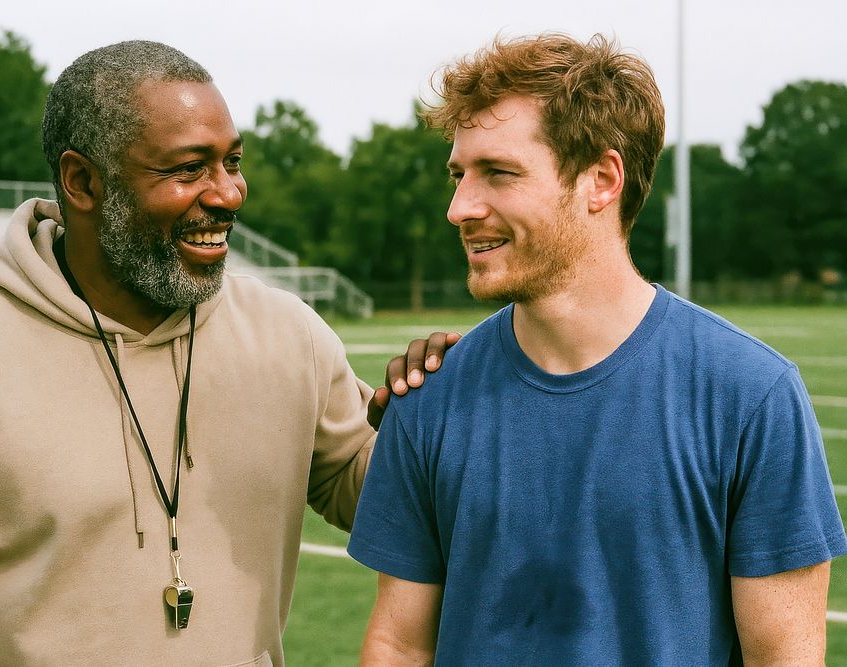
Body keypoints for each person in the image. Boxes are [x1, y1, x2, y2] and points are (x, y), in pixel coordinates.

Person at [0, 40, 451, 665]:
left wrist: (440, 418)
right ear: (82, 181)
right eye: (189, 169)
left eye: (232, 162)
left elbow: (379, 499)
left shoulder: (289, 336)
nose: (228, 194)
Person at [347, 33, 847, 665]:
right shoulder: (426, 398)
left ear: (601, 180)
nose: (459, 207)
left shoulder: (751, 396)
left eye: (498, 173)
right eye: (458, 175)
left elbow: (785, 656)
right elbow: (398, 644)